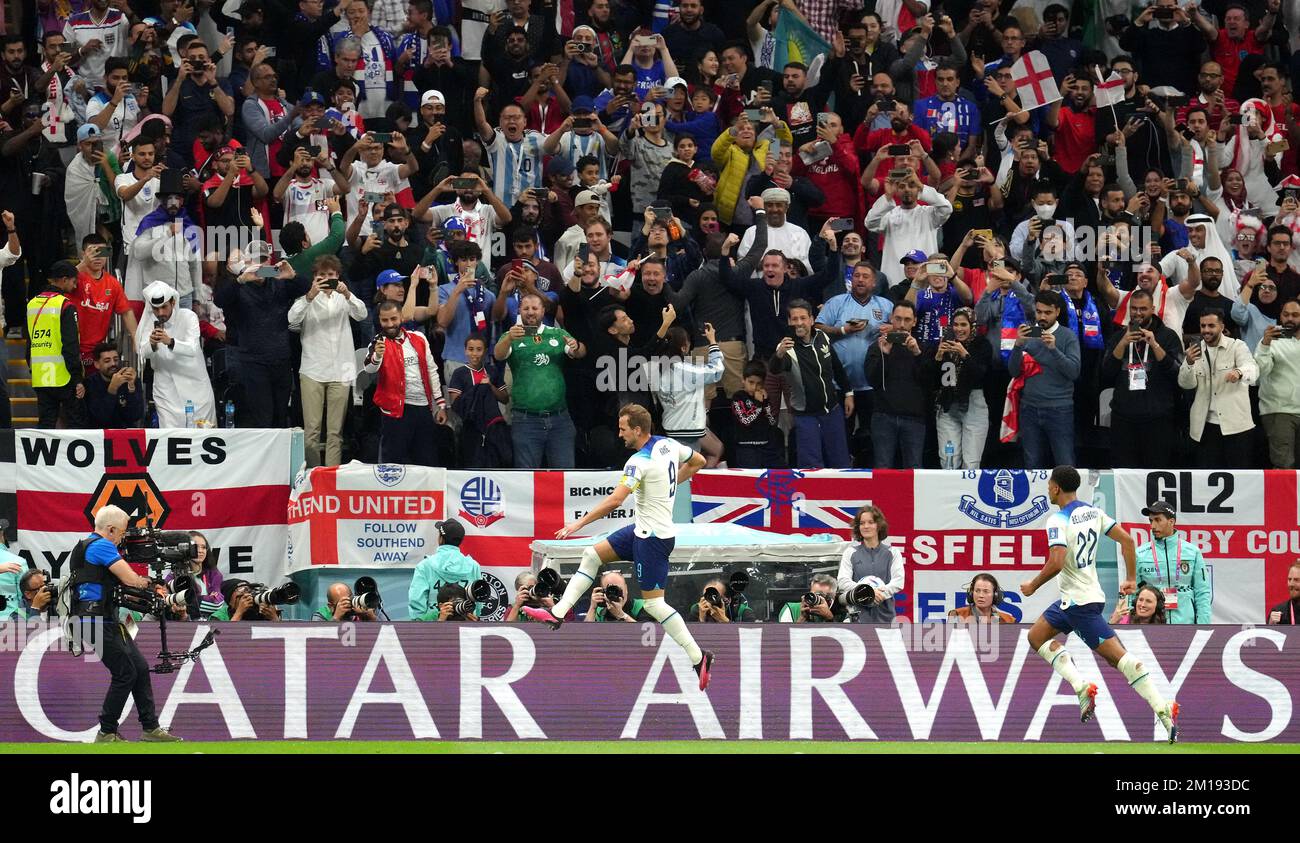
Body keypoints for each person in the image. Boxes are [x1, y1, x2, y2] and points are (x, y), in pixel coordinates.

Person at [522, 404, 715, 689]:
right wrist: (669, 485)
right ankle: (558, 613)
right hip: (642, 531)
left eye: (623, 428)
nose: (620, 433)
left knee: (654, 604)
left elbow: (614, 501)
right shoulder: (668, 445)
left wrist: (578, 524)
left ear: (637, 430)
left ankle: (699, 657)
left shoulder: (639, 461)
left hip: (653, 540)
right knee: (591, 554)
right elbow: (698, 460)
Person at [1020, 465, 1180, 743]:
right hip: (1074, 600)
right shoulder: (1093, 512)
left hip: (1080, 604)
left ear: (1057, 487)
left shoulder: (1057, 520)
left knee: (1119, 658)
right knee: (1036, 636)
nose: (1047, 489)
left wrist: (1032, 586)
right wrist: (1130, 578)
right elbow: (1128, 540)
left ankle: (1162, 706)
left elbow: (1057, 561)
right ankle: (1081, 685)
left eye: (1049, 485)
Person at [68, 505, 182, 743]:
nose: (122, 539)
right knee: (125, 672)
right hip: (96, 621)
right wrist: (150, 583)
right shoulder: (101, 545)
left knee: (138, 668)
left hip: (103, 620)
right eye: (121, 533)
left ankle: (150, 728)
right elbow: (130, 579)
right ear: (110, 529)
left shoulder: (85, 546)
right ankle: (106, 731)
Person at [289, 255, 367, 467]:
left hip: (340, 370)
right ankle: (313, 474)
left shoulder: (344, 298)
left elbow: (362, 314)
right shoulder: (305, 300)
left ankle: (331, 477)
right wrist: (309, 297)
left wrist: (348, 294)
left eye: (330, 275)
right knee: (311, 432)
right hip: (313, 369)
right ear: (314, 277)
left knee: (336, 432)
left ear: (338, 277)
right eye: (321, 275)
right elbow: (291, 320)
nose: (326, 279)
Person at [494, 291, 585, 468]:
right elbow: (498, 354)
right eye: (526, 308)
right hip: (526, 420)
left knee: (564, 476)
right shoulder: (511, 335)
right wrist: (510, 338)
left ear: (543, 311)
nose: (530, 312)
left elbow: (579, 353)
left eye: (535, 308)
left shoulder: (557, 334)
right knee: (526, 477)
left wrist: (577, 346)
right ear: (519, 310)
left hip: (560, 420)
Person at [1100, 289, 1183, 469]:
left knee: (1155, 471)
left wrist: (1154, 344)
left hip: (1157, 417)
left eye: (1143, 309)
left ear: (1152, 308)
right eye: (1134, 309)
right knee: (1123, 472)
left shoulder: (1168, 336)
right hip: (1124, 417)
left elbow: (1178, 374)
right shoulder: (1117, 337)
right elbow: (1106, 373)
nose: (1138, 313)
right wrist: (1122, 343)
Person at [362, 300, 449, 466]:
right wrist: (378, 356)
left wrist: (440, 404)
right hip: (395, 412)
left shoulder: (419, 338)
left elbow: (432, 370)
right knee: (394, 466)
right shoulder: (377, 343)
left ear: (402, 317)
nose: (389, 324)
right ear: (379, 321)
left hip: (424, 408)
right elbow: (369, 369)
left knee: (427, 462)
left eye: (393, 319)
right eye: (385, 320)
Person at [770, 299, 853, 469]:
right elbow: (775, 370)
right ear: (789, 321)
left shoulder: (823, 337)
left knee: (840, 461)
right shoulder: (786, 347)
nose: (799, 323)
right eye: (794, 319)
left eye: (803, 318)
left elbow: (837, 367)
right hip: (805, 415)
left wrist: (848, 393)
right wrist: (778, 354)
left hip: (832, 410)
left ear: (812, 319)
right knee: (811, 467)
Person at [1009, 290, 1081, 469]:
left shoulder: (1067, 336)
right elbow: (1014, 371)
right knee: (1031, 463)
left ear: (1057, 312)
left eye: (1047, 312)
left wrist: (1054, 349)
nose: (1042, 316)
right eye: (1039, 311)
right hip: (1029, 409)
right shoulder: (1028, 334)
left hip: (1059, 409)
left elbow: (1074, 372)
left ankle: (1070, 498)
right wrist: (1017, 346)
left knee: (1065, 463)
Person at [1179, 311, 1257, 468]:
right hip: (1205, 427)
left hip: (1236, 426)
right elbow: (1185, 384)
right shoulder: (1194, 351)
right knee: (1207, 478)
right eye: (1203, 326)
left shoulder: (1237, 346)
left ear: (1222, 326)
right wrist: (1188, 362)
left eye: (1211, 325)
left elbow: (1253, 369)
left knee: (1239, 476)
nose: (1206, 330)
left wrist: (1239, 372)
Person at [136, 281, 216, 428]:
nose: (160, 313)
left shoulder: (188, 317)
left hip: (195, 387)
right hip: (166, 391)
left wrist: (170, 341)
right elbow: (141, 352)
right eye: (156, 309)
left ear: (173, 302)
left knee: (202, 437)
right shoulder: (150, 322)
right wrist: (152, 344)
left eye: (164, 307)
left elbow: (192, 348)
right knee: (171, 439)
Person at [865, 301, 927, 468]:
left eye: (907, 320)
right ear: (891, 318)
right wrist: (884, 354)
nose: (901, 325)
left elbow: (930, 383)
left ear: (914, 321)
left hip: (914, 419)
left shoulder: (923, 348)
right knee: (883, 468)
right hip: (883, 416)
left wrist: (917, 354)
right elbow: (872, 380)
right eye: (898, 319)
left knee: (914, 470)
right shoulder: (877, 347)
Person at [928, 307, 991, 469]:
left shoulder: (982, 344)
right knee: (948, 460)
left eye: (963, 324)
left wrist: (965, 355)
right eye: (955, 324)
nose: (959, 329)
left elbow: (981, 375)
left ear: (972, 326)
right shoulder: (945, 343)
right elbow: (930, 381)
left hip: (974, 405)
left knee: (971, 462)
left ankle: (967, 494)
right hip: (948, 406)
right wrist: (938, 358)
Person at [27, 260, 87, 429]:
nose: (75, 286)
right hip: (64, 376)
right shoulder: (65, 305)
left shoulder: (32, 304)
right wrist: (77, 378)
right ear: (63, 280)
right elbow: (70, 345)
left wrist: (32, 369)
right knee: (76, 423)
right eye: (74, 281)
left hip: (41, 377)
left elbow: (30, 342)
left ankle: (43, 456)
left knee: (46, 426)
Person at [1133, 501, 1212, 624]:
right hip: (1151, 625)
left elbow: (1202, 592)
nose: (1153, 526)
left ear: (1171, 522)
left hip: (1186, 624)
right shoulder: (1140, 553)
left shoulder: (1192, 552)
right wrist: (1133, 625)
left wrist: (1203, 626)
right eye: (1151, 521)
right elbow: (1133, 594)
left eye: (1158, 520)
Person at [836, 504, 903, 623]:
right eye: (862, 523)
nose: (866, 526)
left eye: (870, 522)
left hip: (886, 619)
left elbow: (898, 582)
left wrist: (879, 593)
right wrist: (866, 591)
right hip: (858, 620)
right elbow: (842, 581)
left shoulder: (893, 552)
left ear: (878, 525)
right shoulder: (850, 552)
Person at [1254, 301, 1300, 468]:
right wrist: (1265, 344)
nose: (1290, 319)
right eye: (1286, 314)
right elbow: (1261, 370)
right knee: (1283, 466)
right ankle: (1281, 496)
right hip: (1279, 411)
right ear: (1280, 316)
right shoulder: (1271, 340)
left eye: (1295, 315)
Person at [408, 519, 481, 621]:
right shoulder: (473, 566)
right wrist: (475, 617)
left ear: (441, 539)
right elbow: (478, 601)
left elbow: (416, 600)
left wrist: (420, 626)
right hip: (466, 625)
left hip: (432, 628)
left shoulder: (425, 566)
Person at [84, 342, 143, 428]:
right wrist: (112, 389)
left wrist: (131, 388)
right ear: (97, 364)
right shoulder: (90, 383)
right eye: (107, 361)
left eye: (116, 359)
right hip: (99, 436)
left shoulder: (130, 379)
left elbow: (135, 416)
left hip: (125, 433)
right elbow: (100, 418)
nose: (113, 364)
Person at [585, 570, 651, 623]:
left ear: (626, 589)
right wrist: (592, 608)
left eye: (618, 589)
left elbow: (646, 635)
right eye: (610, 590)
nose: (614, 593)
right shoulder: (600, 611)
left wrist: (622, 616)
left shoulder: (642, 606)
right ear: (603, 591)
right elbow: (585, 635)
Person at [948, 574, 1014, 623]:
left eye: (986, 591)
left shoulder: (1008, 619)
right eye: (977, 591)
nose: (981, 595)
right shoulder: (957, 614)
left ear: (995, 595)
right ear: (971, 593)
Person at [777, 573, 843, 623]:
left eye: (821, 595)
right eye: (813, 594)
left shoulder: (842, 614)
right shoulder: (791, 609)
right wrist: (803, 617)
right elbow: (784, 638)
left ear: (831, 599)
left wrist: (830, 618)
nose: (815, 598)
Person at [313, 582, 378, 621]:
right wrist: (336, 618)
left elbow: (382, 640)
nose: (348, 604)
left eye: (350, 599)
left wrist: (371, 619)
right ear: (331, 606)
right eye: (343, 603)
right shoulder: (321, 615)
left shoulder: (361, 609)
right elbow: (320, 641)